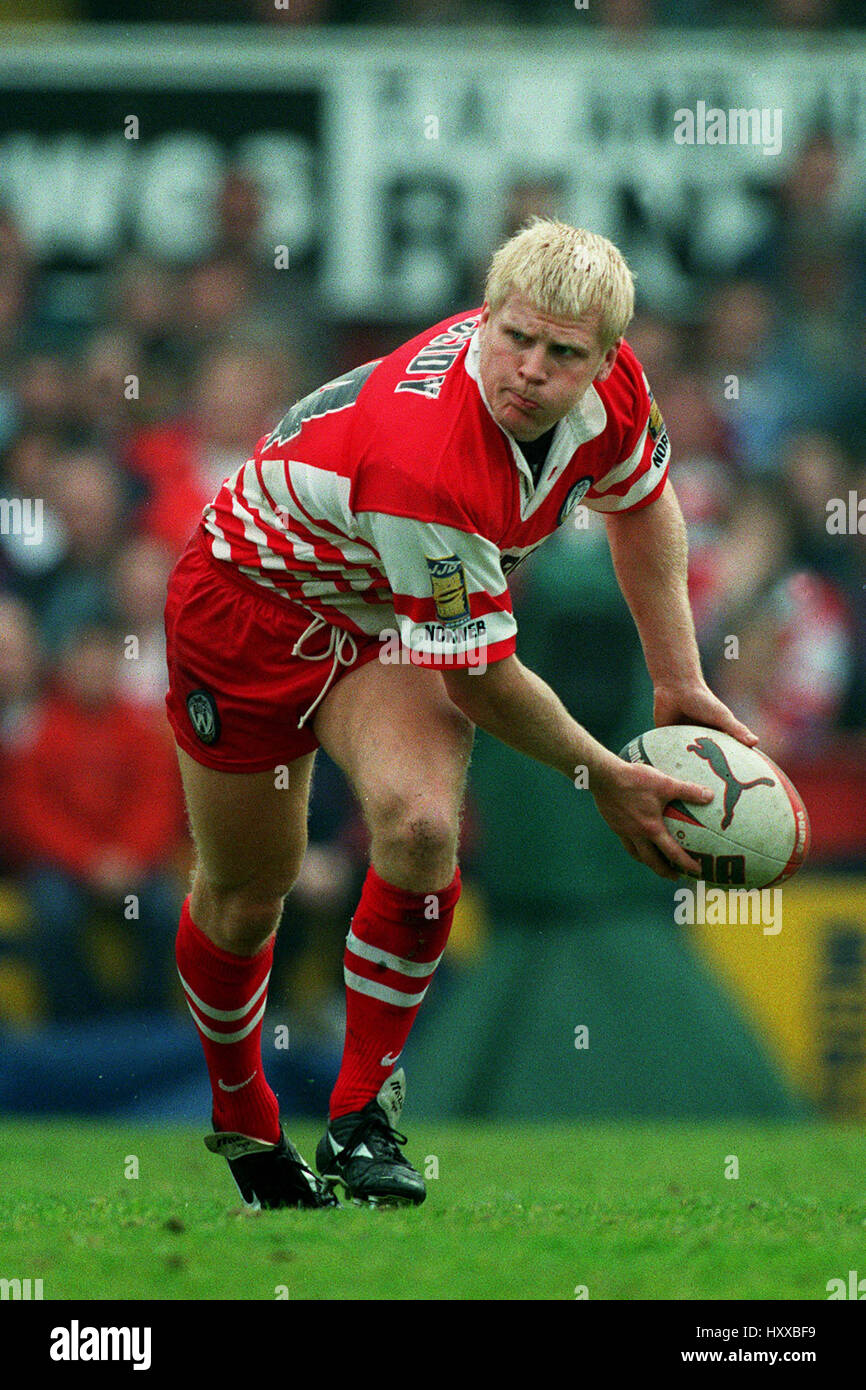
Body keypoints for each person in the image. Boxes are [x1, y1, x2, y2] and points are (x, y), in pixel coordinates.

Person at [163, 218, 756, 1210]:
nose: (527, 368)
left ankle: (359, 1117)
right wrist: (603, 775)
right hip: (250, 607)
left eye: (561, 353)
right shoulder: (427, 459)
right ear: (486, 315)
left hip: (381, 616)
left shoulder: (613, 391)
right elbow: (480, 680)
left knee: (423, 824)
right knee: (245, 886)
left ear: (605, 358)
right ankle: (242, 1110)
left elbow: (643, 500)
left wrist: (677, 677)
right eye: (512, 337)